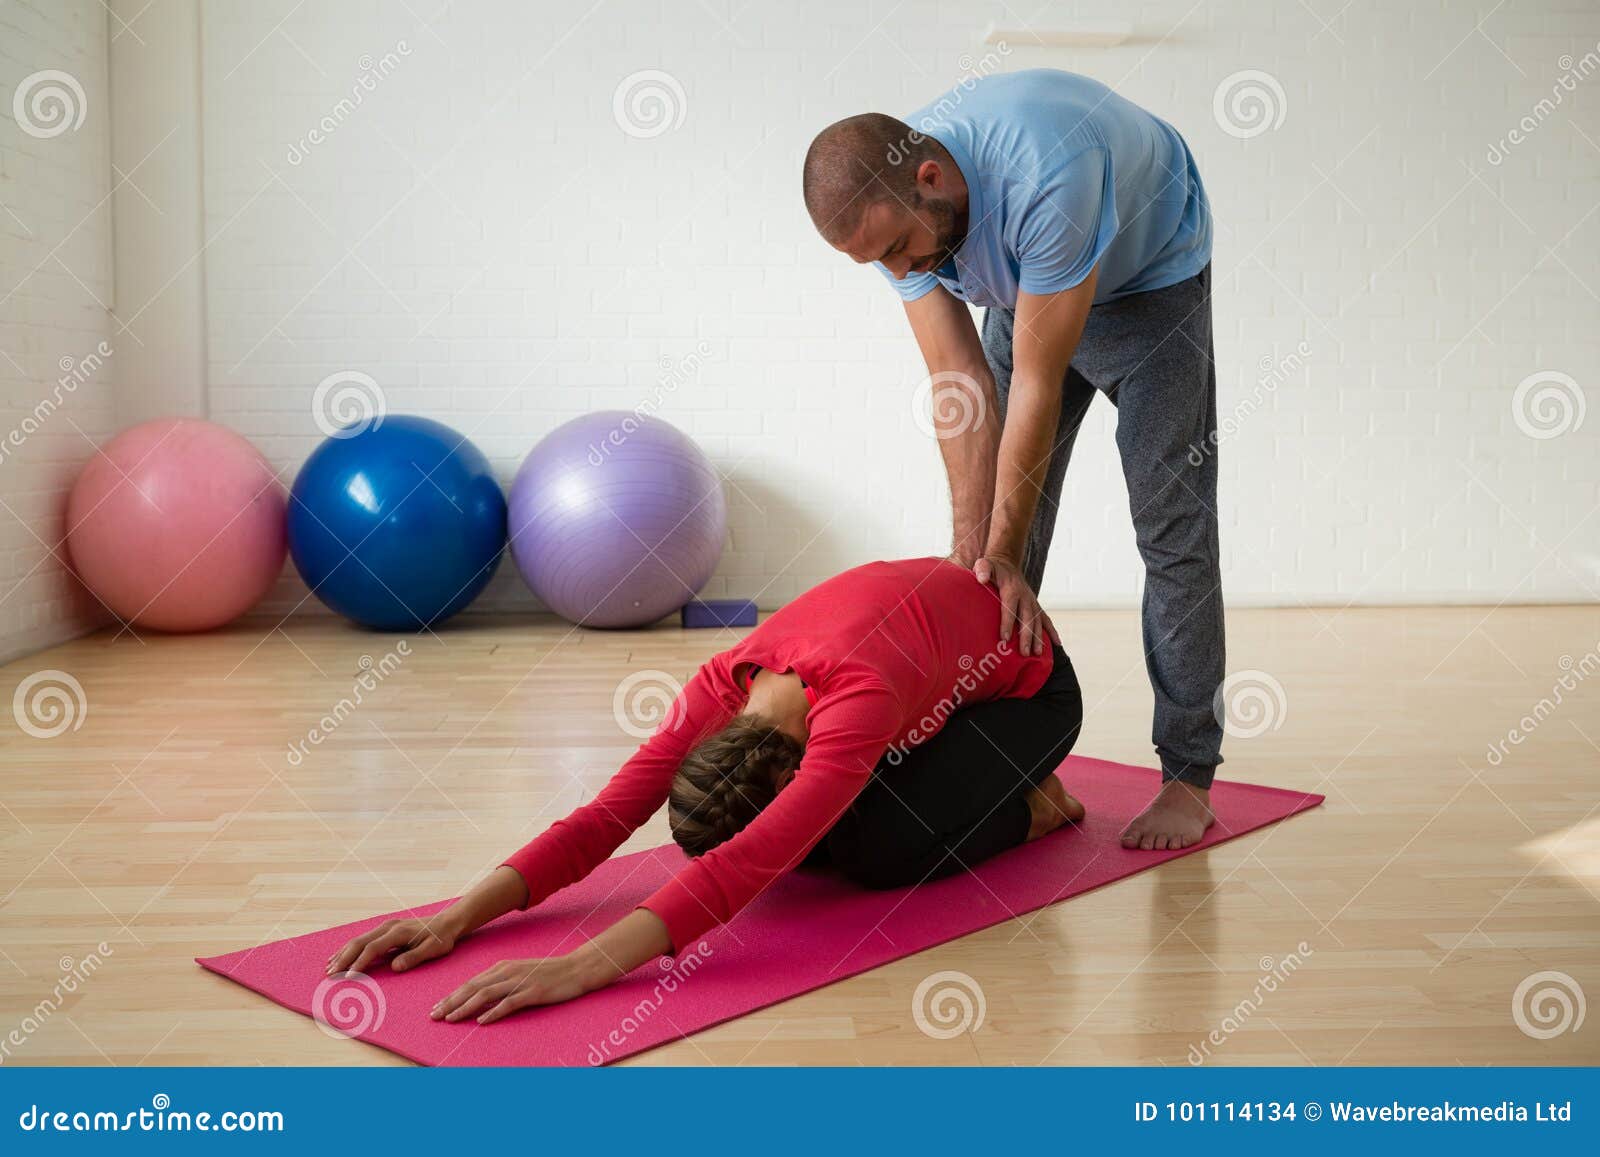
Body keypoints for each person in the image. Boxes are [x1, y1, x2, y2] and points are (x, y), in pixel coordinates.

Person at [328, 557, 1083, 1023]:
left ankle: (1035, 805)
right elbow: (602, 818)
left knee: (875, 849)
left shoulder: (859, 705)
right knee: (834, 839)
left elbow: (738, 869)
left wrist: (578, 968)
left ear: (789, 774)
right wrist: (457, 917)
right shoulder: (722, 685)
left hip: (1028, 694)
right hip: (936, 675)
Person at [802, 68, 1223, 851]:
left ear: (932, 181)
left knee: (1171, 524)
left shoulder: (1047, 172)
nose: (899, 272)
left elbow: (1035, 382)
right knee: (990, 562)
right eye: (877, 263)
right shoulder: (896, 203)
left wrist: (999, 547)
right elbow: (957, 381)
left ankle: (1189, 777)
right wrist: (978, 555)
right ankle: (1015, 767)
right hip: (1032, 286)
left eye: (898, 250)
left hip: (1149, 283)